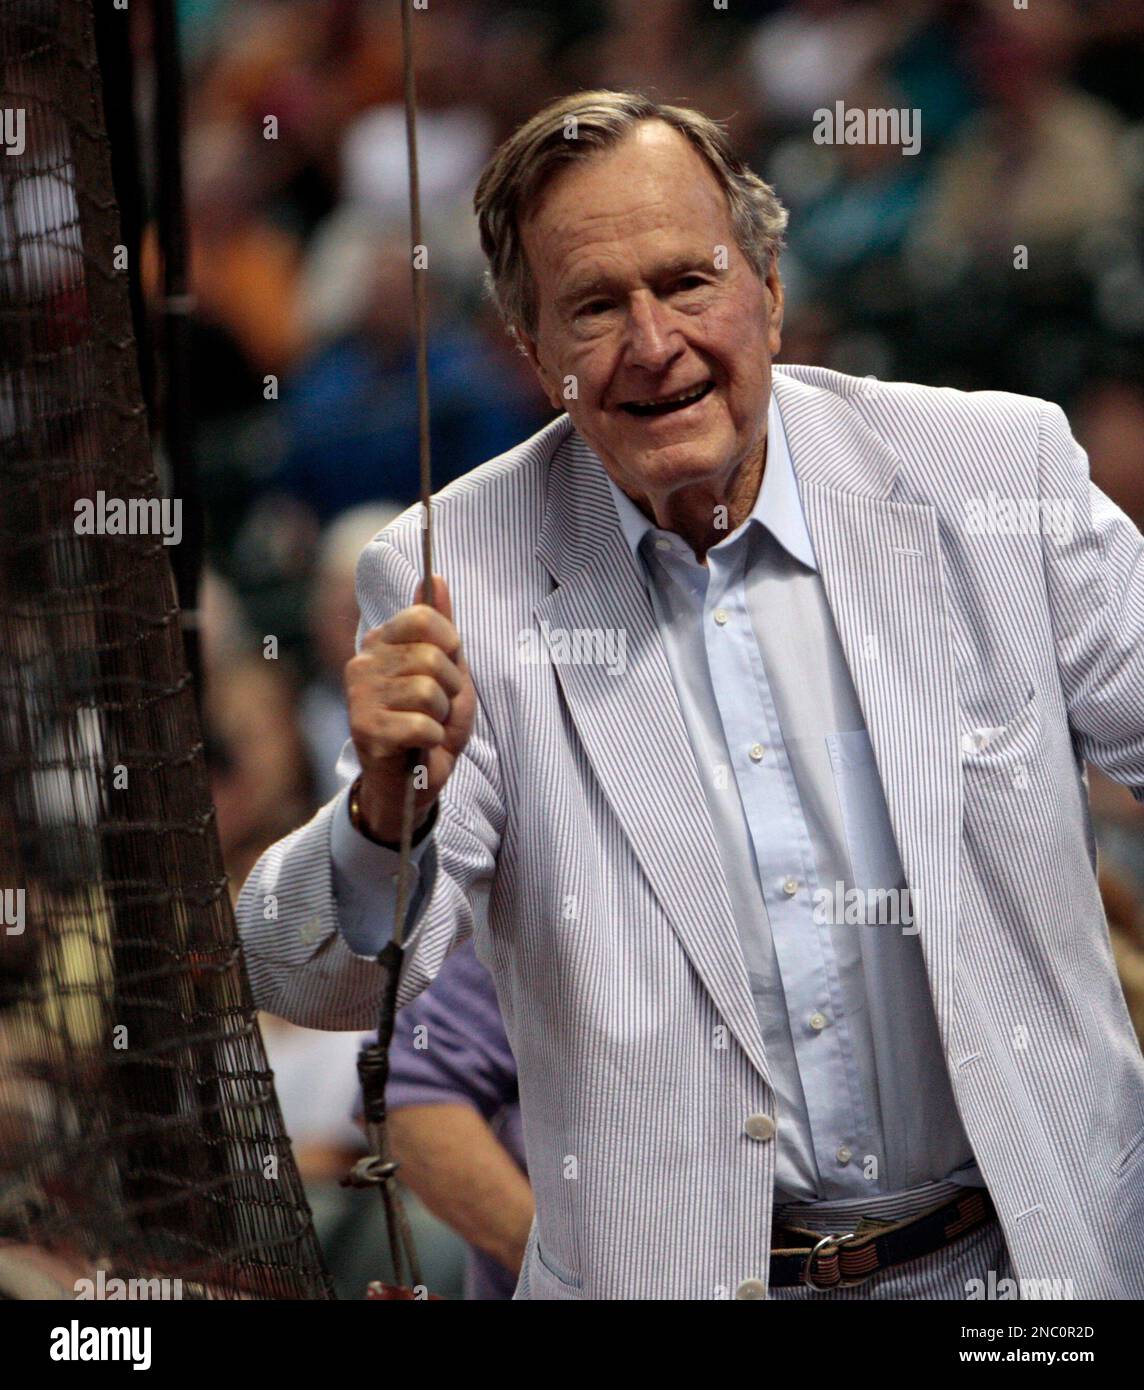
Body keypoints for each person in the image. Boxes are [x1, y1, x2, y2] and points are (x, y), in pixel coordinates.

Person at [236, 90, 1144, 1300]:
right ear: (533, 349)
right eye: (596, 307)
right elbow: (319, 978)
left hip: (1025, 1275)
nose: (653, 342)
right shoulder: (448, 574)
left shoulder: (993, 472)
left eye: (687, 282)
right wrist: (379, 820)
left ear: (767, 287)